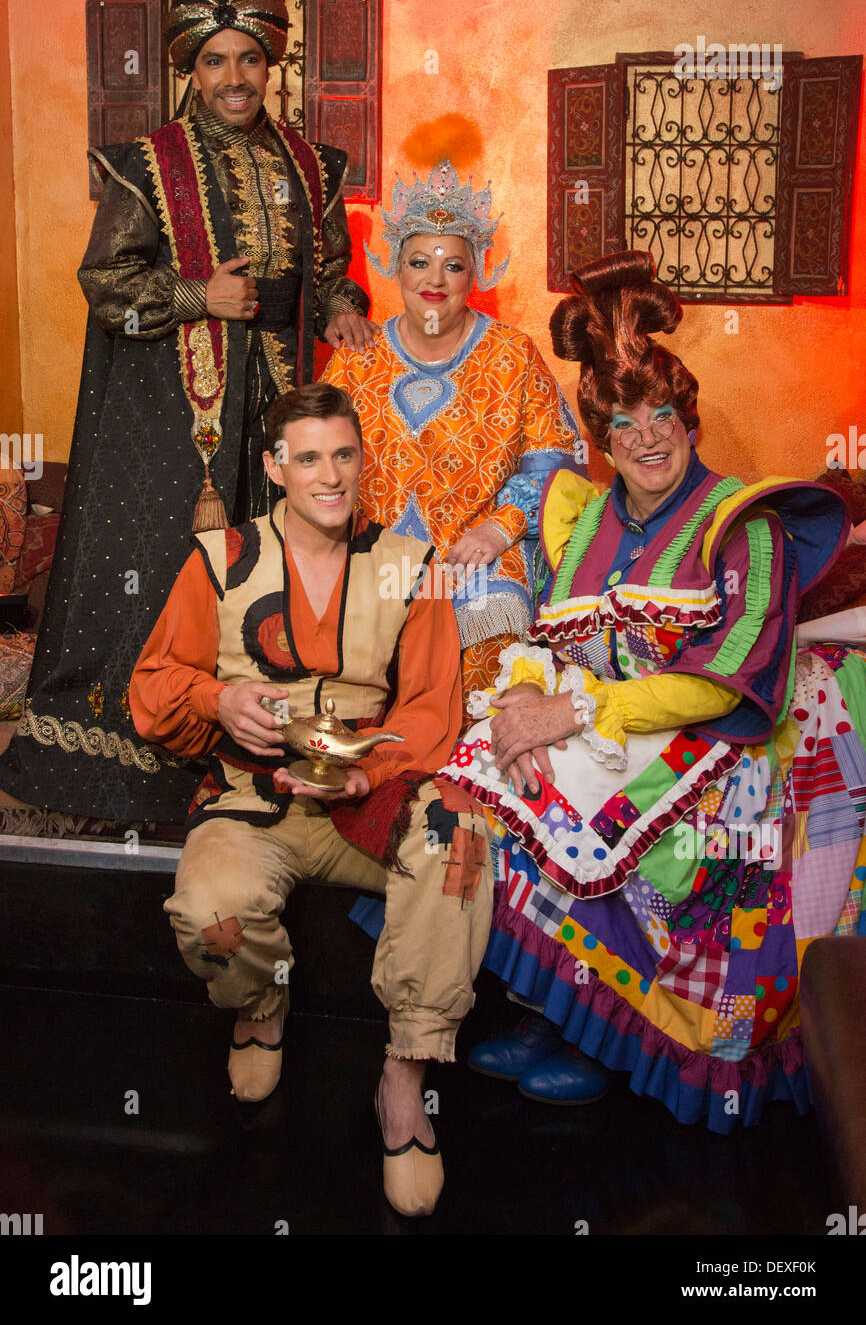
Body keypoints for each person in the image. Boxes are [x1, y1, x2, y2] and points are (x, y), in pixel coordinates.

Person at [440, 250, 866, 1132]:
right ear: (601, 439)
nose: (646, 437)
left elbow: (727, 677)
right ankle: (552, 1011)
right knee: (478, 768)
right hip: (613, 730)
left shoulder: (744, 521)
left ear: (689, 420)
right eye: (624, 423)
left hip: (725, 743)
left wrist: (578, 713)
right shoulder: (585, 516)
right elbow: (554, 639)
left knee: (601, 815)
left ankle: (601, 1038)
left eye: (661, 414)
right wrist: (524, 706)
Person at [0, 0, 373, 825]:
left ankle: (253, 747)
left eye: (250, 58)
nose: (235, 75)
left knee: (265, 569)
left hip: (276, 407)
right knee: (168, 571)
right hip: (171, 419)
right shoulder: (147, 165)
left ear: (271, 67)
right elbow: (107, 288)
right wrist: (201, 298)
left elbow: (328, 270)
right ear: (191, 71)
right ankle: (138, 755)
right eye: (215, 61)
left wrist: (345, 307)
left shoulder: (313, 165)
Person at [128, 383, 493, 1216]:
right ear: (273, 466)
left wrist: (376, 769)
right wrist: (218, 700)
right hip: (251, 798)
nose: (330, 476)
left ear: (362, 459)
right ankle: (261, 1004)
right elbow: (152, 685)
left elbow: (434, 704)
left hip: (363, 796)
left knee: (463, 841)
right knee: (209, 912)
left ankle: (404, 1080)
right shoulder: (217, 557)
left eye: (343, 454)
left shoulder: (412, 564)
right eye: (308, 458)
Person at [321, 159, 582, 706]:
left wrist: (499, 530)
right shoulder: (357, 358)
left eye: (453, 266)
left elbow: (557, 462)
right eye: (419, 262)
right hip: (372, 554)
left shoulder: (512, 355)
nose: (434, 281)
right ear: (396, 266)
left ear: (476, 274)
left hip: (477, 556)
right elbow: (316, 463)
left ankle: (468, 774)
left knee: (490, 646)